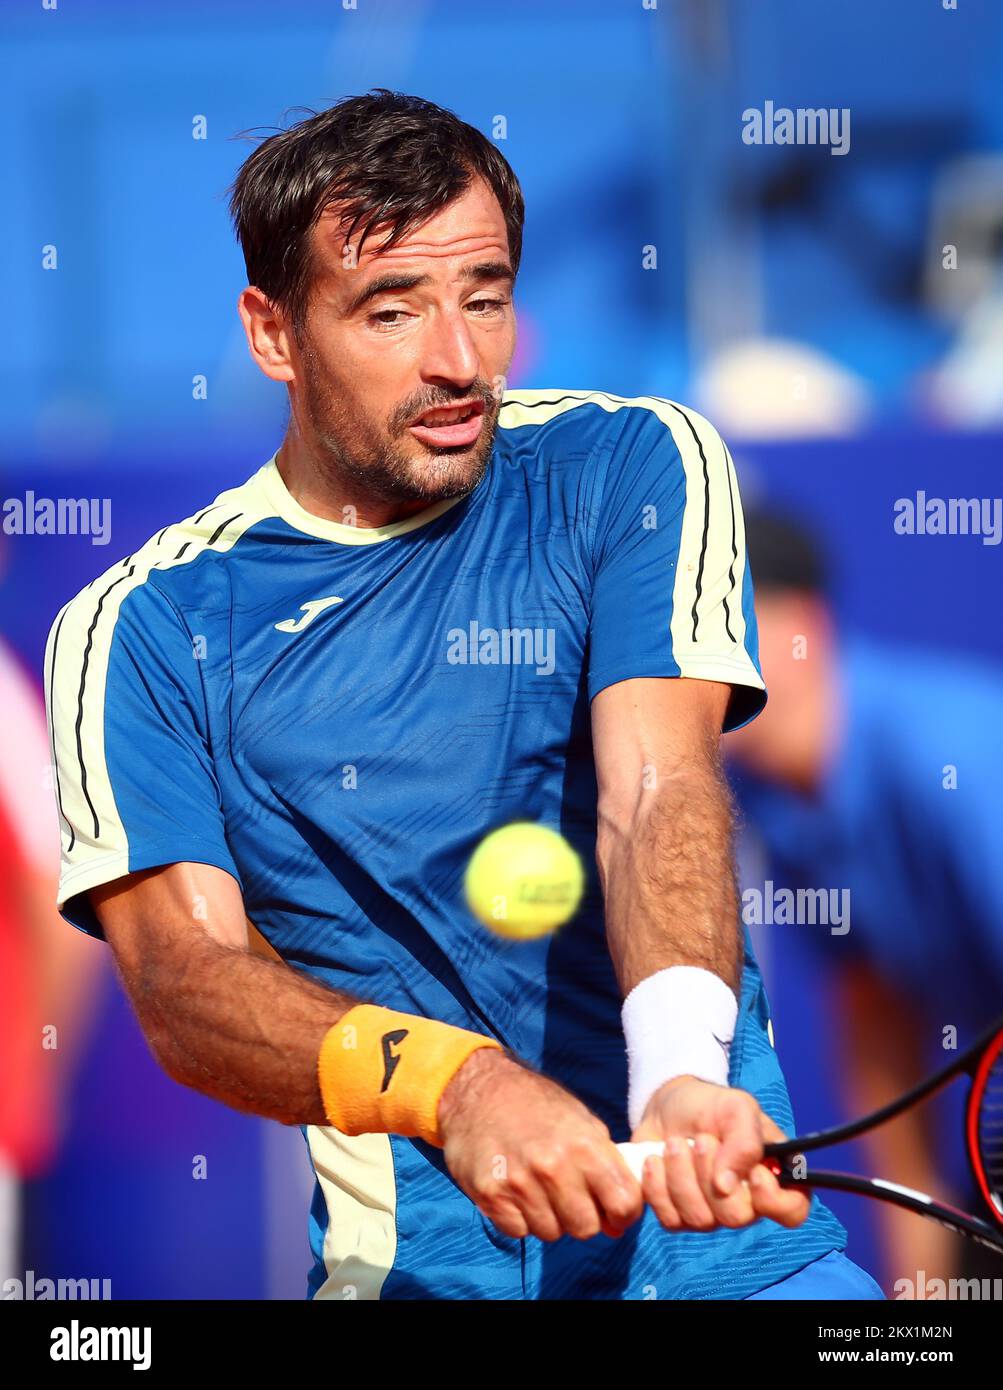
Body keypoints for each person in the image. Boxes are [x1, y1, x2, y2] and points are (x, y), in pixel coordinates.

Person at [44, 89, 880, 1300]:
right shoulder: (142, 628)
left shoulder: (634, 463)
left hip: (733, 1264)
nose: (457, 360)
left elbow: (657, 792)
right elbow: (187, 984)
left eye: (483, 297)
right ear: (272, 333)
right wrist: (454, 1083)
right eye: (391, 311)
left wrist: (680, 1073)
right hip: (418, 1279)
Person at [728, 508, 1003, 1292]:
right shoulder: (765, 791)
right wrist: (919, 1290)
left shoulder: (954, 756)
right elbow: (876, 1012)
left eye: (714, 622)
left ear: (801, 629)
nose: (680, 659)